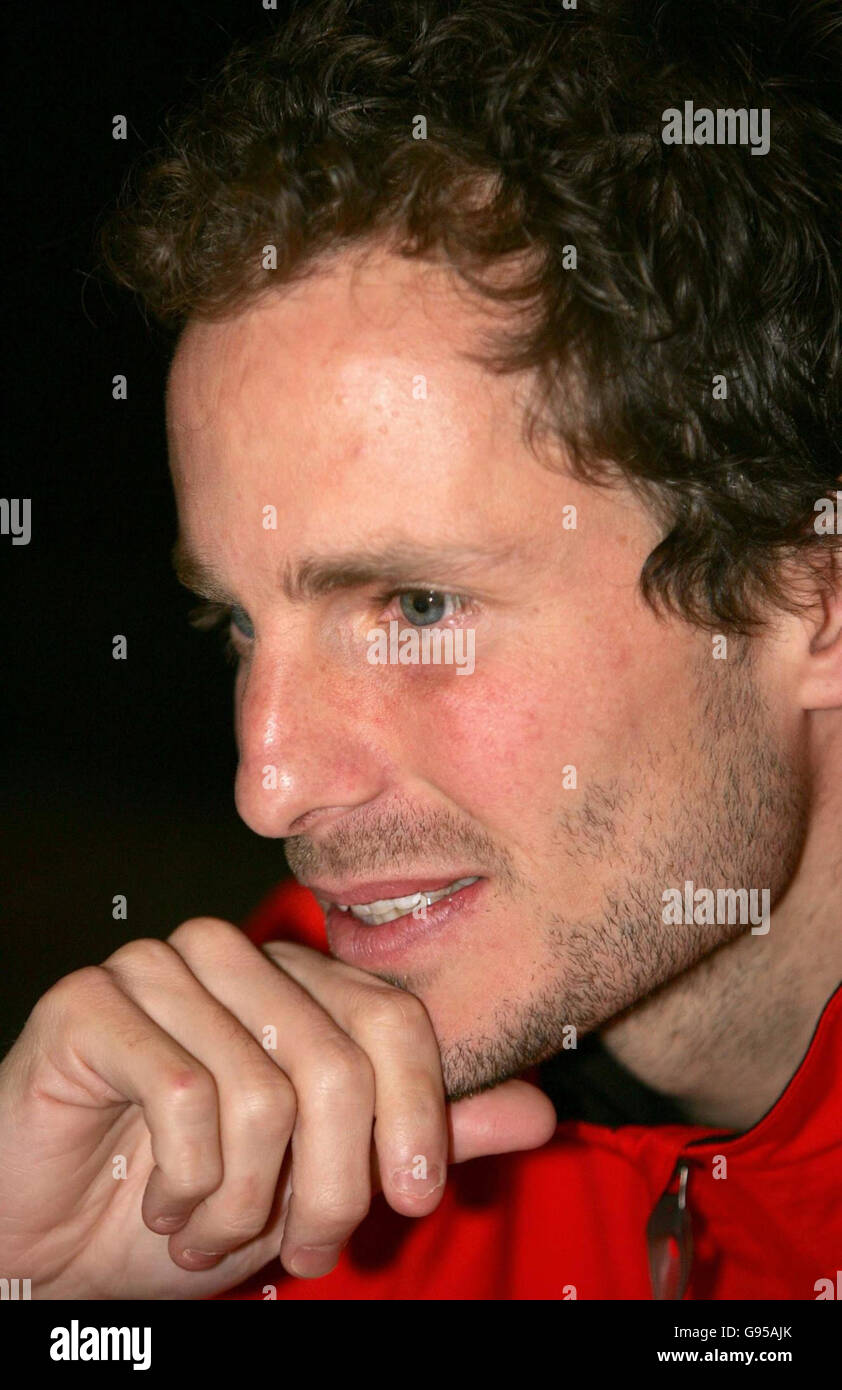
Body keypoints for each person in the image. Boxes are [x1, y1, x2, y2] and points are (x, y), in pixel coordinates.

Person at [2, 0, 841, 1301]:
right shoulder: (257, 1128)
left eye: (415, 608)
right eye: (235, 620)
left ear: (814, 603)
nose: (268, 784)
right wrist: (38, 1287)